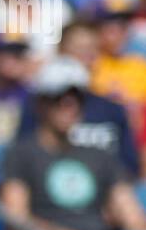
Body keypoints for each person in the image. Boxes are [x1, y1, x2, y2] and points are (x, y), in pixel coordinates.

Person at [0, 57, 146, 230]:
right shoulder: (21, 154)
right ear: (41, 104)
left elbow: (131, 215)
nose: (69, 106)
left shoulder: (99, 155)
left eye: (77, 98)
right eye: (59, 98)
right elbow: (14, 221)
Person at [17, 22, 139, 177]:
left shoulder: (112, 109)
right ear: (61, 51)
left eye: (93, 48)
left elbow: (128, 167)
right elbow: (22, 161)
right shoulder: (40, 105)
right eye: (80, 48)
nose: (88, 55)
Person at [90, 0, 146, 143]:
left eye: (123, 25)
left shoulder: (139, 65)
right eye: (109, 26)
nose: (117, 32)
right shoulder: (91, 65)